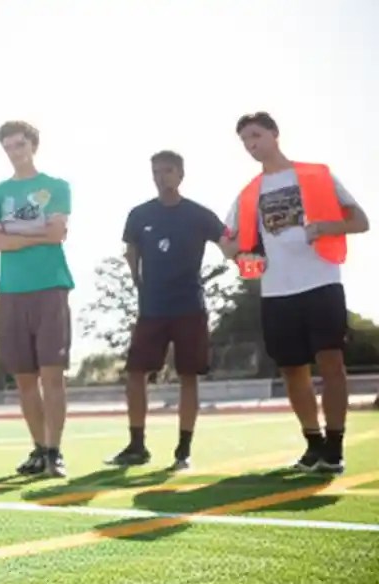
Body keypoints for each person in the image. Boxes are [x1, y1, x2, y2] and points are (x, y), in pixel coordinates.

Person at [224, 112, 369, 474]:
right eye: (245, 141)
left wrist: (325, 226)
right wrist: (243, 257)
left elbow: (361, 221)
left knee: (332, 363)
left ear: (274, 134)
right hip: (276, 292)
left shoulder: (317, 174)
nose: (251, 145)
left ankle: (334, 447)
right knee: (292, 370)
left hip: (321, 281)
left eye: (256, 135)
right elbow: (227, 242)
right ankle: (313, 443)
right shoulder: (247, 194)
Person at [108, 151, 229, 471]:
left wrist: (252, 253)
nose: (161, 177)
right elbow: (131, 252)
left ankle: (183, 450)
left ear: (181, 174)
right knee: (135, 374)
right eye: (156, 172)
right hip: (152, 309)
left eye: (168, 171)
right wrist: (139, 285)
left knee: (188, 376)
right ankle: (136, 446)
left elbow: (229, 245)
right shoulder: (139, 215)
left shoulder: (199, 215)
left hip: (189, 306)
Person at [0, 121, 74, 478]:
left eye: (20, 144)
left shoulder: (56, 186)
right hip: (12, 290)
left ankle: (55, 451)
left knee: (53, 375)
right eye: (8, 146)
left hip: (50, 285)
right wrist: (38, 233)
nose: (15, 152)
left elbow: (58, 232)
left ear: (33, 145)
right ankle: (38, 449)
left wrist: (13, 231)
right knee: (25, 379)